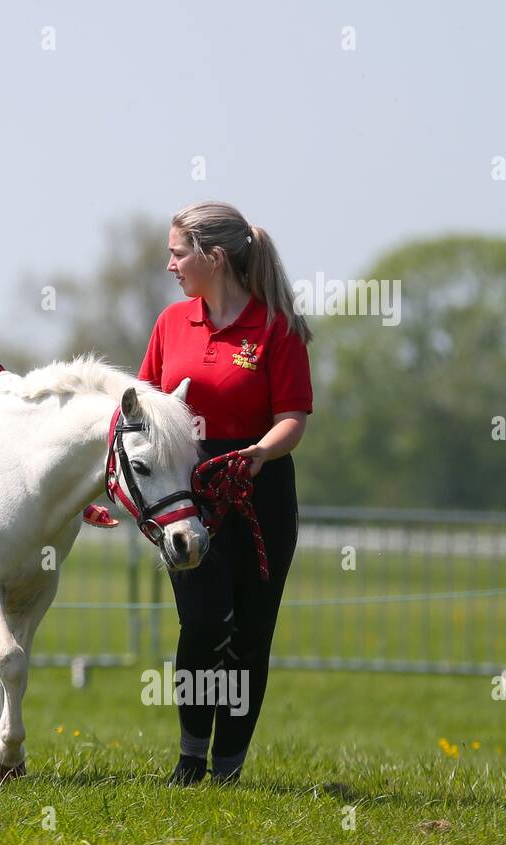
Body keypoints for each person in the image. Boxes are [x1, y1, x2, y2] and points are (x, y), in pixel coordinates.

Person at [138, 201, 313, 785]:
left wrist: (258, 453)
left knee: (251, 634)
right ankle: (190, 758)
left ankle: (228, 768)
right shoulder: (170, 324)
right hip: (189, 495)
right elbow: (142, 404)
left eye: (177, 252)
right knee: (205, 623)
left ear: (213, 257)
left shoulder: (276, 327)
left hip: (260, 491)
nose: (170, 264)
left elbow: (293, 417)